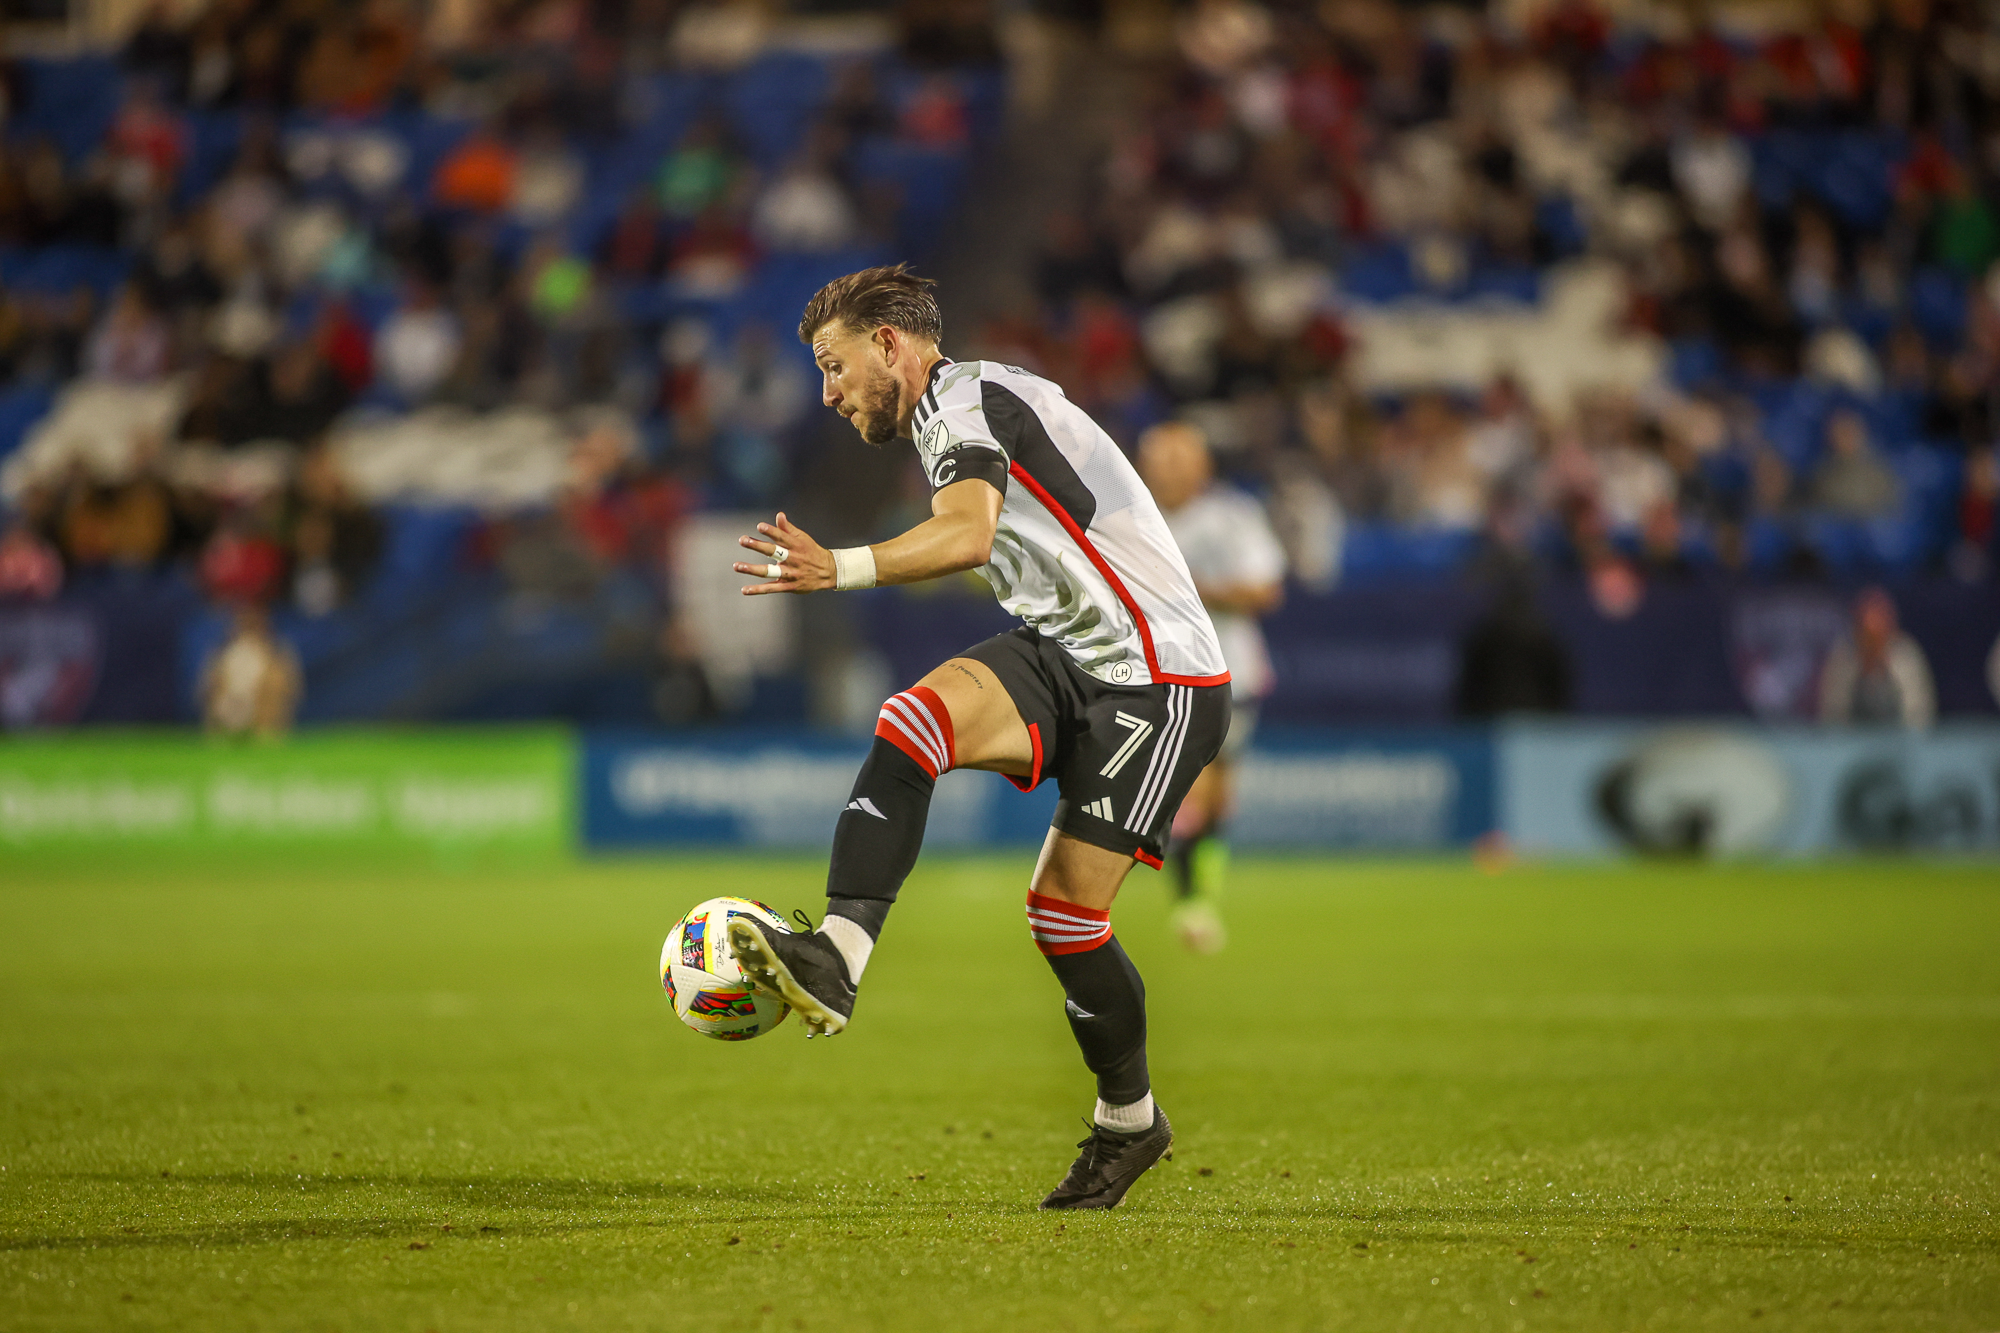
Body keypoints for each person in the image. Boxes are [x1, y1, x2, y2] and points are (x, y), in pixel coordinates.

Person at [723, 265, 1231, 1210]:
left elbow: (964, 534)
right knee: (909, 719)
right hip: (1069, 649)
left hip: (1159, 678)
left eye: (834, 367)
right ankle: (837, 952)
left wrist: (840, 567)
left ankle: (1130, 1122)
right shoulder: (950, 412)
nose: (827, 393)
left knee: (1065, 918)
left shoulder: (966, 402)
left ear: (888, 344)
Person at [1134, 421, 1284, 953]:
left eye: (1180, 460)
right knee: (1188, 789)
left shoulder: (1233, 517)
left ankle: (1199, 894)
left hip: (1230, 670)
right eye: (1161, 461)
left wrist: (1192, 593)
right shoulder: (1127, 518)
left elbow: (1266, 590)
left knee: (1217, 795)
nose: (1169, 471)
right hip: (1154, 672)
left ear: (1203, 467)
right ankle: (1191, 903)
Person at [1818, 586, 1935, 728]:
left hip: (1900, 742)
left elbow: (1919, 715)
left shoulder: (1906, 655)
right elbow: (1832, 717)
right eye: (1867, 633)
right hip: (1852, 743)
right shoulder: (1843, 657)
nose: (1873, 637)